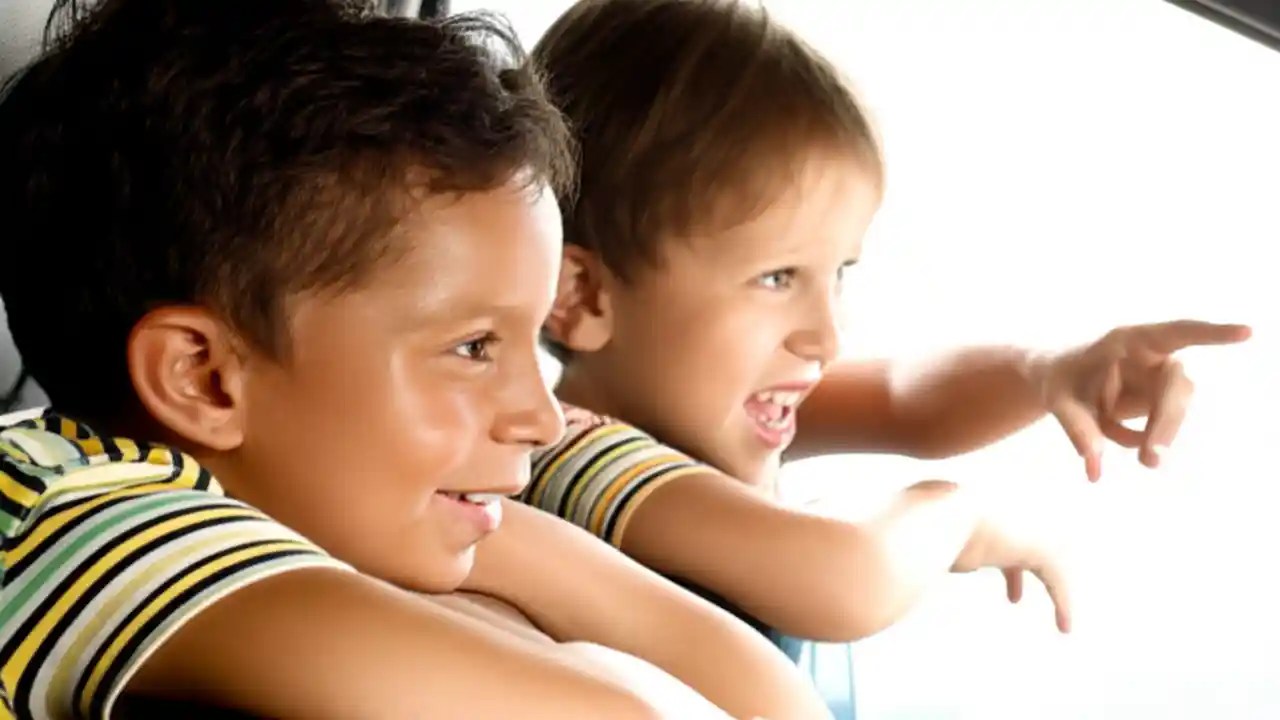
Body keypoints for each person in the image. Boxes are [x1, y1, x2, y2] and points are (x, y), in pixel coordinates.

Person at [0, 2, 829, 718]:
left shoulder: (310, 499)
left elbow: (776, 698)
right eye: (474, 348)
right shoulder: (65, 515)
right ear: (204, 378)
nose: (541, 418)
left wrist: (501, 546)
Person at [520, 0, 1252, 717]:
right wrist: (959, 515)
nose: (826, 336)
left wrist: (1051, 370)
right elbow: (844, 578)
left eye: (839, 272)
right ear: (582, 295)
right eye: (777, 278)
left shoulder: (698, 414)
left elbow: (908, 401)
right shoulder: (566, 456)